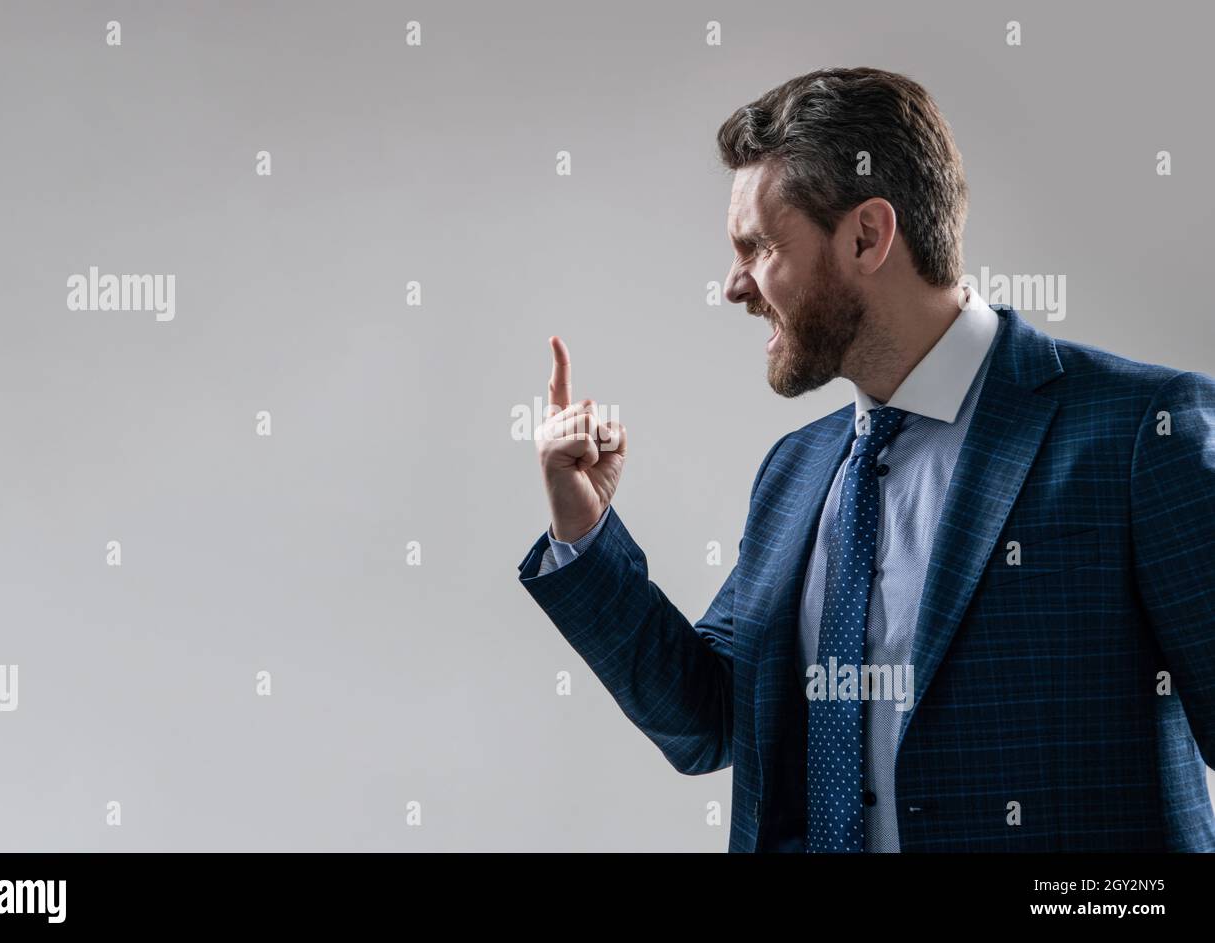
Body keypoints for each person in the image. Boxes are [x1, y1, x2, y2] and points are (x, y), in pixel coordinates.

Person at [516, 67, 1215, 853]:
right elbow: (709, 721)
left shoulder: (1138, 433)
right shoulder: (795, 471)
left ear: (866, 236)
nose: (732, 286)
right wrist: (585, 528)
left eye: (757, 246)